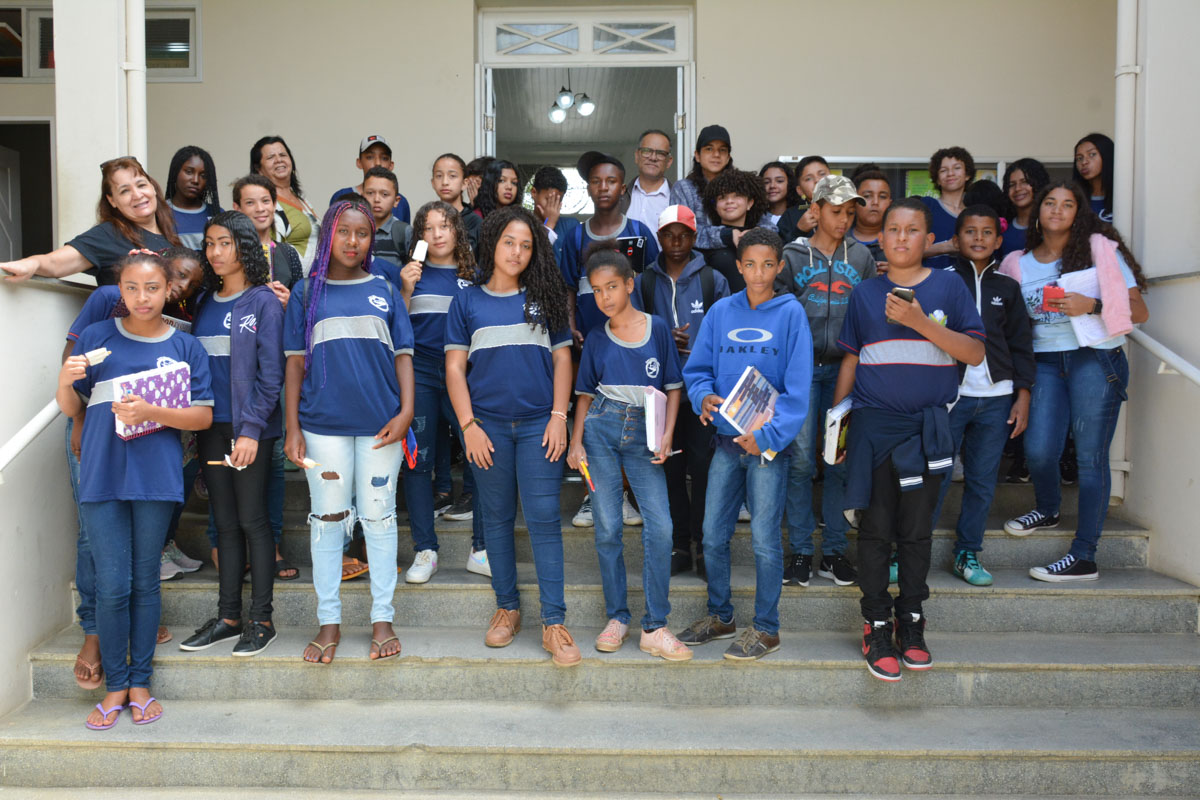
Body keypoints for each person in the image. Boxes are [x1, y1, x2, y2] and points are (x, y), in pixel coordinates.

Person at [58, 250, 213, 728]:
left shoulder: (186, 345)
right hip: (102, 477)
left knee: (145, 583)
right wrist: (64, 381)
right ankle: (116, 687)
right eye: (131, 288)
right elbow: (71, 408)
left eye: (151, 288)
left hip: (155, 478)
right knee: (111, 586)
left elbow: (203, 416)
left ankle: (141, 683)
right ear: (118, 291)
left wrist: (152, 412)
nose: (141, 297)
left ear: (169, 290)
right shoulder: (98, 335)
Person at [834, 197, 986, 682]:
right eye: (893, 229)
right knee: (876, 530)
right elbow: (852, 360)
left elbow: (976, 353)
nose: (901, 237)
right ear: (880, 237)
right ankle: (876, 623)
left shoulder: (950, 286)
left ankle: (912, 622)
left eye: (912, 230)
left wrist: (920, 322)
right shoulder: (864, 295)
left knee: (916, 532)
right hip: (875, 426)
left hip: (928, 428)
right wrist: (834, 422)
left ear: (928, 239)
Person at [444, 206, 581, 667]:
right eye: (509, 242)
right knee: (497, 520)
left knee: (543, 519)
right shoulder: (466, 301)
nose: (517, 251)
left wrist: (559, 416)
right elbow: (454, 368)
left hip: (541, 426)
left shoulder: (545, 296)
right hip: (488, 429)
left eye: (526, 244)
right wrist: (468, 427)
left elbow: (564, 360)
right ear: (492, 243)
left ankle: (554, 623)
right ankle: (507, 609)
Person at [283, 199, 416, 663]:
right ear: (328, 236)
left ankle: (382, 618)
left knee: (378, 518)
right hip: (322, 428)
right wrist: (292, 427)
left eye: (363, 234)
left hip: (382, 424)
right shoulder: (305, 293)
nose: (353, 241)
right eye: (344, 232)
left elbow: (404, 355)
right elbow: (295, 364)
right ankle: (329, 621)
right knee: (328, 522)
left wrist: (406, 413)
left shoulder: (385, 288)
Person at [1000, 181, 1149, 581]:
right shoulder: (1018, 263)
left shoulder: (1100, 251)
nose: (1057, 209)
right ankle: (1048, 509)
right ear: (1038, 210)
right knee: (1039, 449)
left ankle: (1085, 555)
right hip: (1045, 363)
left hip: (1095, 360)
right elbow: (1011, 324)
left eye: (1068, 204)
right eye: (1050, 202)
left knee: (1090, 458)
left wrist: (1093, 305)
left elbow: (1140, 311)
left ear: (1079, 213)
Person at [676, 228, 813, 661]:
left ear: (779, 267)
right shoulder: (720, 312)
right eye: (749, 264)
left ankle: (767, 628)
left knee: (764, 541)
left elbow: (797, 390)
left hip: (769, 449)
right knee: (713, 536)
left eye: (767, 265)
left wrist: (767, 437)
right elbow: (697, 370)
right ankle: (721, 616)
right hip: (727, 442)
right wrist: (703, 397)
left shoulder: (791, 315)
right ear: (738, 266)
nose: (758, 273)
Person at [567, 249, 692, 661]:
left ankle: (655, 625)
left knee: (662, 527)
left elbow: (674, 385)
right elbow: (584, 395)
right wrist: (575, 440)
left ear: (630, 284)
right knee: (607, 528)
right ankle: (618, 616)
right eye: (597, 290)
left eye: (612, 287)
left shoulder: (657, 329)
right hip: (600, 431)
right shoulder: (597, 336)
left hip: (645, 435)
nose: (604, 297)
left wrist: (668, 433)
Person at [179, 211, 285, 655]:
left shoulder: (262, 301)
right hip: (210, 427)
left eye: (225, 243)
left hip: (249, 430)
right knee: (223, 525)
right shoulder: (203, 301)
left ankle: (262, 619)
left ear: (244, 247)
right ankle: (228, 616)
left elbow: (271, 374)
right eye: (209, 244)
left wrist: (251, 431)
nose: (216, 252)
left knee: (252, 521)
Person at [775, 175, 877, 588]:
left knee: (837, 461)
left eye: (851, 211)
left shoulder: (863, 258)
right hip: (799, 372)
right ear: (814, 210)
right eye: (836, 211)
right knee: (800, 462)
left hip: (846, 369)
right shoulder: (793, 256)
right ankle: (800, 550)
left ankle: (834, 552)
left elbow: (870, 315)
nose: (845, 219)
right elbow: (777, 313)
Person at [930, 205, 1035, 586]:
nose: (978, 238)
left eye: (986, 232)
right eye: (970, 232)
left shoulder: (1007, 287)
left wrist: (1022, 395)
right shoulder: (941, 280)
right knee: (935, 475)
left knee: (981, 479)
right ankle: (911, 549)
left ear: (998, 241)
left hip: (996, 397)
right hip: (949, 396)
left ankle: (967, 552)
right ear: (956, 240)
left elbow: (1022, 345)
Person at [634, 205, 730, 578]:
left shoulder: (712, 279)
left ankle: (706, 547)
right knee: (670, 469)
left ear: (694, 237)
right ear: (659, 238)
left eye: (684, 234)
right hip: (660, 394)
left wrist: (701, 342)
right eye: (669, 234)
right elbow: (634, 332)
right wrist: (661, 336)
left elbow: (726, 331)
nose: (676, 242)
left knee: (705, 470)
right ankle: (679, 544)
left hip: (703, 392)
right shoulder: (644, 281)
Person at [397, 200, 489, 582]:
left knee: (482, 455)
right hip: (419, 373)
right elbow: (395, 328)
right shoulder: (409, 275)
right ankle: (425, 550)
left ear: (458, 232)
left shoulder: (477, 276)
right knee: (417, 461)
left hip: (464, 376)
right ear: (419, 235)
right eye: (428, 228)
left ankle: (482, 549)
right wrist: (405, 287)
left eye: (444, 226)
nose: (436, 234)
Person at [1, 156, 180, 285]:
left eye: (141, 185)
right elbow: (55, 263)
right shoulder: (109, 234)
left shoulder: (170, 236)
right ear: (112, 201)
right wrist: (30, 264)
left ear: (152, 187)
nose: (137, 195)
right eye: (125, 191)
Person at [557, 151, 660, 344]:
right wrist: (571, 328)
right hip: (589, 339)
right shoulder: (576, 237)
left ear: (622, 189)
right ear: (588, 189)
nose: (603, 187)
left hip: (636, 340)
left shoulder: (638, 231)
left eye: (611, 181)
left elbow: (657, 284)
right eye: (596, 181)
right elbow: (568, 289)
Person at [249, 136, 319, 273]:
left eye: (283, 155)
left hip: (313, 285)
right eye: (270, 157)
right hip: (290, 287)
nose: (279, 160)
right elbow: (268, 254)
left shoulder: (301, 198)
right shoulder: (265, 206)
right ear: (259, 168)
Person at [699, 168, 772, 292]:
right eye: (722, 197)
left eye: (737, 195)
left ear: (750, 203)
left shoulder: (763, 235)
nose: (729, 201)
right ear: (715, 206)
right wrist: (727, 235)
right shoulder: (705, 239)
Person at [670, 124, 735, 250]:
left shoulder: (740, 188)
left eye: (722, 150)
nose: (716, 154)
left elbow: (766, 225)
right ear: (697, 156)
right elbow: (683, 231)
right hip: (695, 259)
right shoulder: (683, 188)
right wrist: (726, 235)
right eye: (709, 149)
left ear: (728, 158)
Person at [328, 135, 411, 223]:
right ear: (359, 162)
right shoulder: (341, 197)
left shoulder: (401, 202)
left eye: (384, 158)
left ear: (391, 165)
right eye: (370, 157)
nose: (377, 163)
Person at [919, 146, 975, 269]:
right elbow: (910, 250)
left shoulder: (973, 215)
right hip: (929, 283)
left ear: (967, 175)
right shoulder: (927, 205)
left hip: (963, 285)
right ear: (937, 179)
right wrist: (946, 247)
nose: (950, 173)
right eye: (943, 170)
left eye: (957, 168)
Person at [621, 129, 675, 239]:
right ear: (637, 156)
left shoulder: (678, 199)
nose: (653, 158)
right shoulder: (620, 196)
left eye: (660, 153)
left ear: (669, 161)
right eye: (647, 151)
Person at [164, 145, 221, 251]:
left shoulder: (217, 215)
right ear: (175, 172)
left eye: (203, 176)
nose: (195, 180)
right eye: (189, 172)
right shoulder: (159, 213)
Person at [360, 167, 413, 269]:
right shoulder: (355, 230)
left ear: (396, 201)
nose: (376, 199)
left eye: (384, 194)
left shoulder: (404, 232)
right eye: (370, 193)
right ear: (362, 197)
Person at [431, 153, 483, 252]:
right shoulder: (427, 218)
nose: (445, 182)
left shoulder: (475, 222)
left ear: (464, 183)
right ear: (433, 183)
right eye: (439, 176)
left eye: (452, 176)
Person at [1000, 158, 1051, 259]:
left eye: (1025, 182)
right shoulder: (1002, 230)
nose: (1018, 188)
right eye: (1012, 185)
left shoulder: (1051, 227)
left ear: (1039, 184)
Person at [776, 155, 829, 245]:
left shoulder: (848, 207)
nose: (817, 180)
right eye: (808, 178)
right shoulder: (790, 215)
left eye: (822, 174)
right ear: (800, 190)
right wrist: (799, 231)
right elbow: (778, 251)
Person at [850, 165, 892, 269]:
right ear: (854, 202)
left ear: (890, 203)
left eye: (882, 197)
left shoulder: (899, 241)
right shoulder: (839, 239)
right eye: (867, 196)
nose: (875, 202)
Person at [529, 165, 580, 246]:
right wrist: (548, 224)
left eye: (558, 201)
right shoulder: (523, 225)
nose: (553, 207)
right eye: (548, 200)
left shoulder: (570, 226)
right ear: (534, 193)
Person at [1072, 133, 1115, 223]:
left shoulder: (1124, 196)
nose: (1084, 162)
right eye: (1079, 158)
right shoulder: (1073, 198)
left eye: (1092, 154)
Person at [759, 161, 796, 228]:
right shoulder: (754, 219)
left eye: (779, 181)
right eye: (766, 182)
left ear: (790, 184)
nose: (772, 186)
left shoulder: (799, 216)